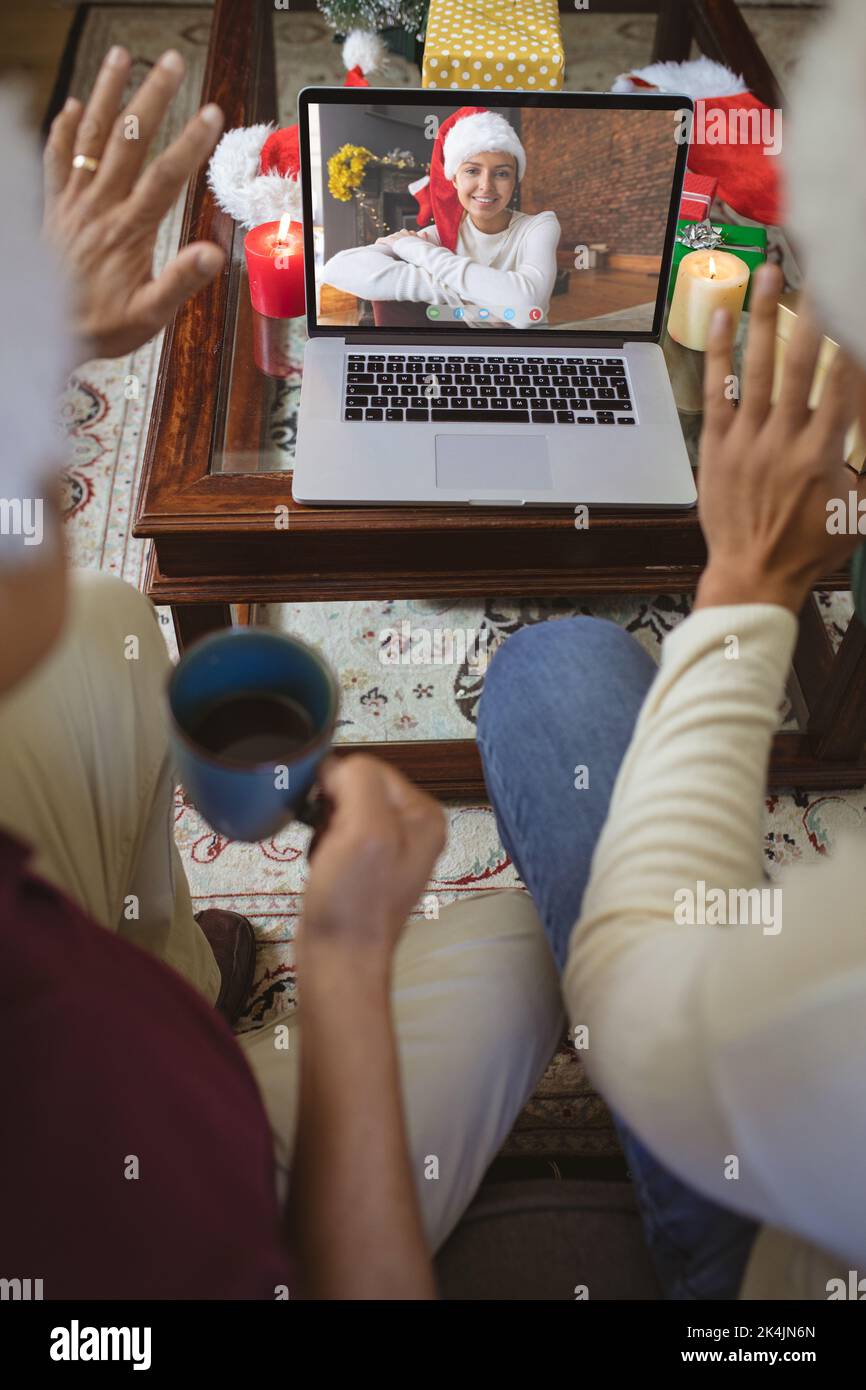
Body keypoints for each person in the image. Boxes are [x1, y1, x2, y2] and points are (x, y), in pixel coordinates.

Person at [0, 47, 563, 1299]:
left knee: (96, 621)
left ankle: (186, 975)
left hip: (114, 1030)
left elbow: (509, 299)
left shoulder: (531, 228)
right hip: (213, 1181)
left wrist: (35, 354)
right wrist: (347, 954)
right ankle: (200, 1004)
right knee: (539, 944)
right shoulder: (79, 1140)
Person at [476, 0, 866, 1300]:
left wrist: (747, 583)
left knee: (552, 672)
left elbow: (647, 1014)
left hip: (769, 1243)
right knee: (571, 671)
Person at [321, 106, 561, 328]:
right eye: (472, 171)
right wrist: (489, 299)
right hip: (467, 352)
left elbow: (528, 309)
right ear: (454, 179)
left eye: (501, 173)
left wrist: (418, 251)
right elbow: (336, 269)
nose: (486, 185)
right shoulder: (441, 235)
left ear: (515, 181)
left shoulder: (540, 226)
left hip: (527, 350)